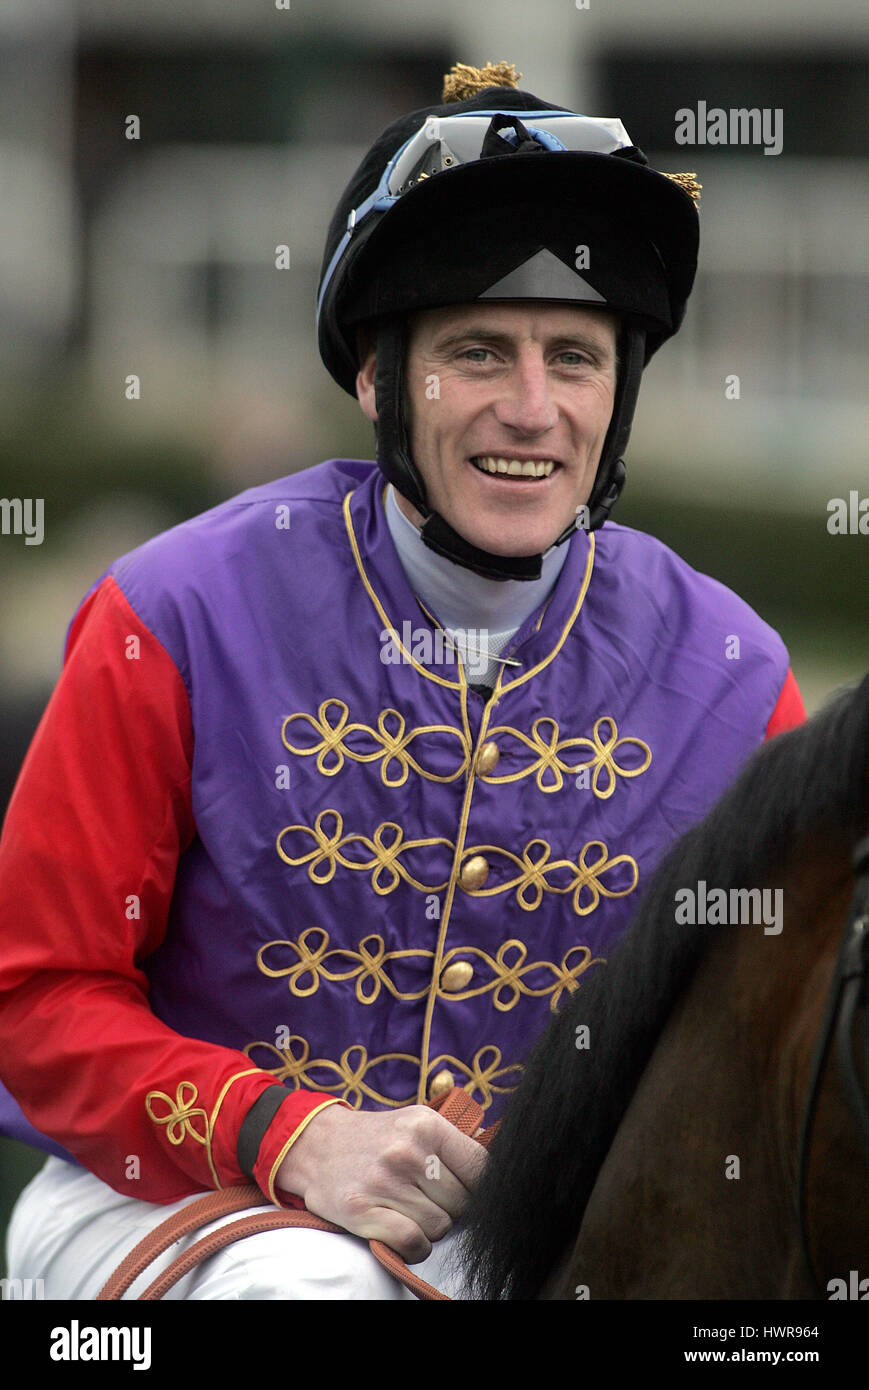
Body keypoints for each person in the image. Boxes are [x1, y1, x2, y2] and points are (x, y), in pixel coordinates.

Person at [0, 60, 805, 1300]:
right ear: (379, 378)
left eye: (574, 359)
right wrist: (286, 1132)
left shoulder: (739, 682)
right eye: (478, 353)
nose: (530, 409)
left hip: (539, 1238)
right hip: (172, 1196)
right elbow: (35, 992)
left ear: (618, 396)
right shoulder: (168, 614)